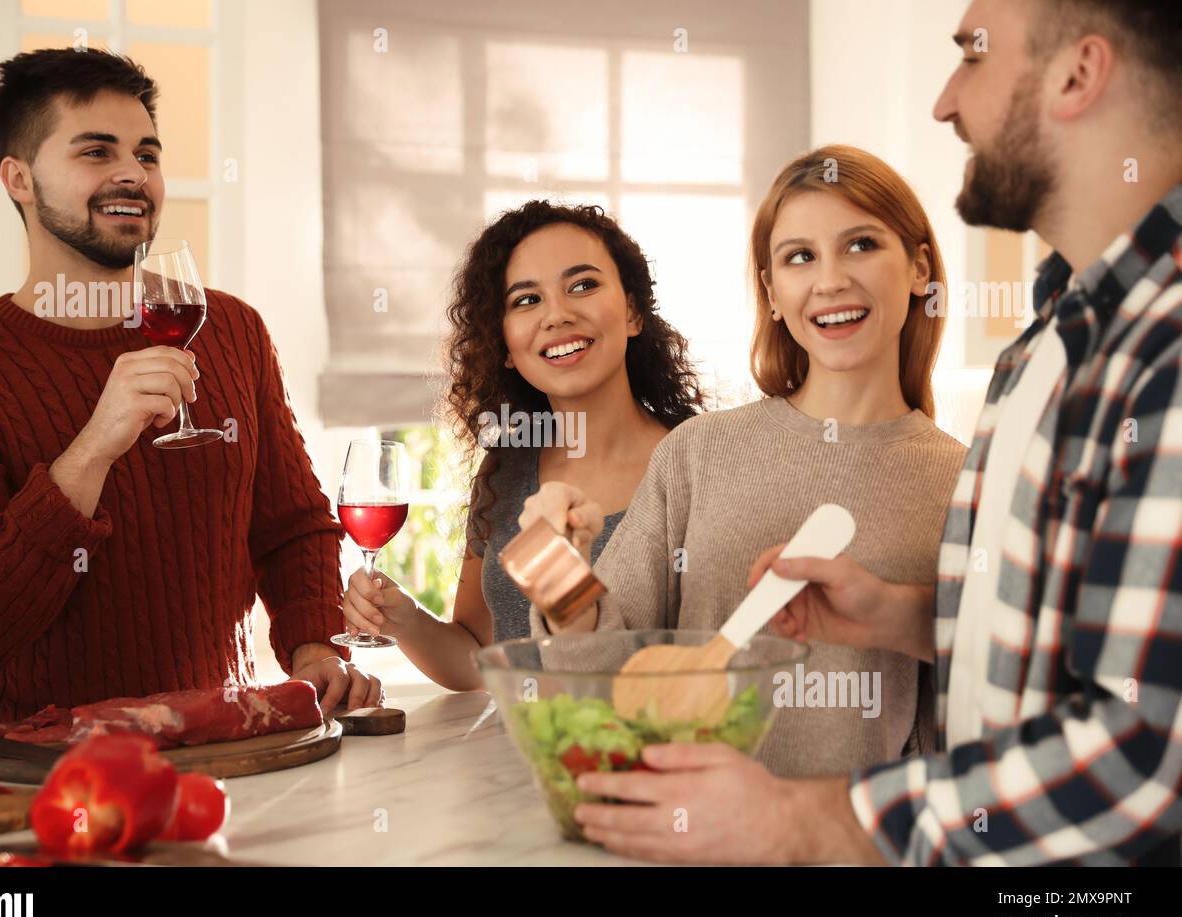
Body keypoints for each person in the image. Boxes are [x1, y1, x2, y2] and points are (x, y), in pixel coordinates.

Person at [571, 0, 1182, 865]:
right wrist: (903, 616)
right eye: (797, 258)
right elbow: (1041, 662)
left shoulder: (1155, 352)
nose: (942, 101)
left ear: (1078, 74)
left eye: (972, 54)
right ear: (771, 290)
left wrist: (794, 822)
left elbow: (1145, 755)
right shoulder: (1045, 349)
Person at [0, 49, 380, 721]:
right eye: (96, 152)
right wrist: (91, 453)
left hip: (229, 748)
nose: (132, 174)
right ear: (19, 179)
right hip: (52, 781)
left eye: (147, 154)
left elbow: (290, 528)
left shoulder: (230, 330)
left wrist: (316, 648)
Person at [521, 146, 966, 777]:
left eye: (861, 244)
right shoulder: (699, 452)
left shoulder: (965, 482)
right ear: (773, 292)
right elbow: (595, 665)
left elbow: (978, 705)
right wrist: (556, 566)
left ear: (920, 267)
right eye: (799, 257)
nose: (830, 279)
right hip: (684, 832)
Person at [339, 201, 703, 689]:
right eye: (526, 300)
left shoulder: (697, 466)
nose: (557, 314)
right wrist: (403, 618)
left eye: (583, 285)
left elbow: (717, 659)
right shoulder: (505, 470)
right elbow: (480, 655)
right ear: (505, 347)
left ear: (634, 312)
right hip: (514, 758)